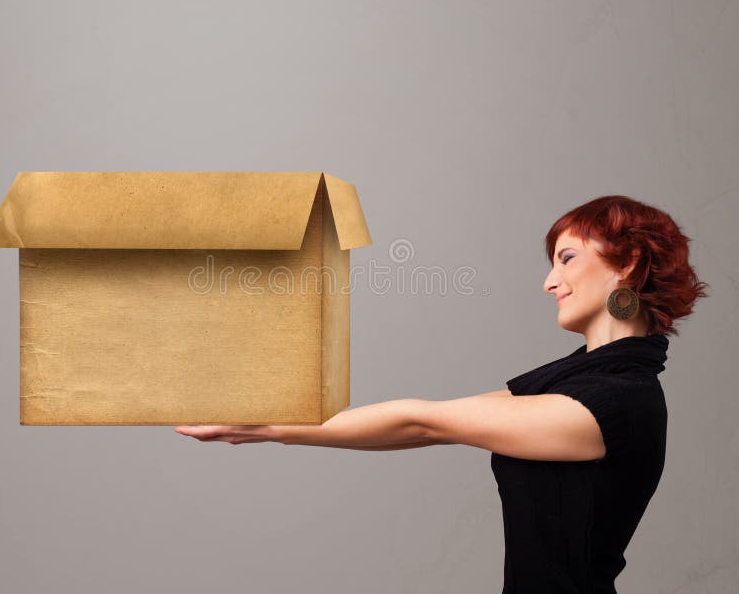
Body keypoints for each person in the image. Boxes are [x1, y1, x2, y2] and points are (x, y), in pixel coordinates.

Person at [175, 195, 708, 593]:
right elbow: (423, 424)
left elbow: (423, 421)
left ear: (630, 262)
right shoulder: (570, 382)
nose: (549, 282)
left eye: (566, 259)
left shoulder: (619, 403)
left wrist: (266, 429)